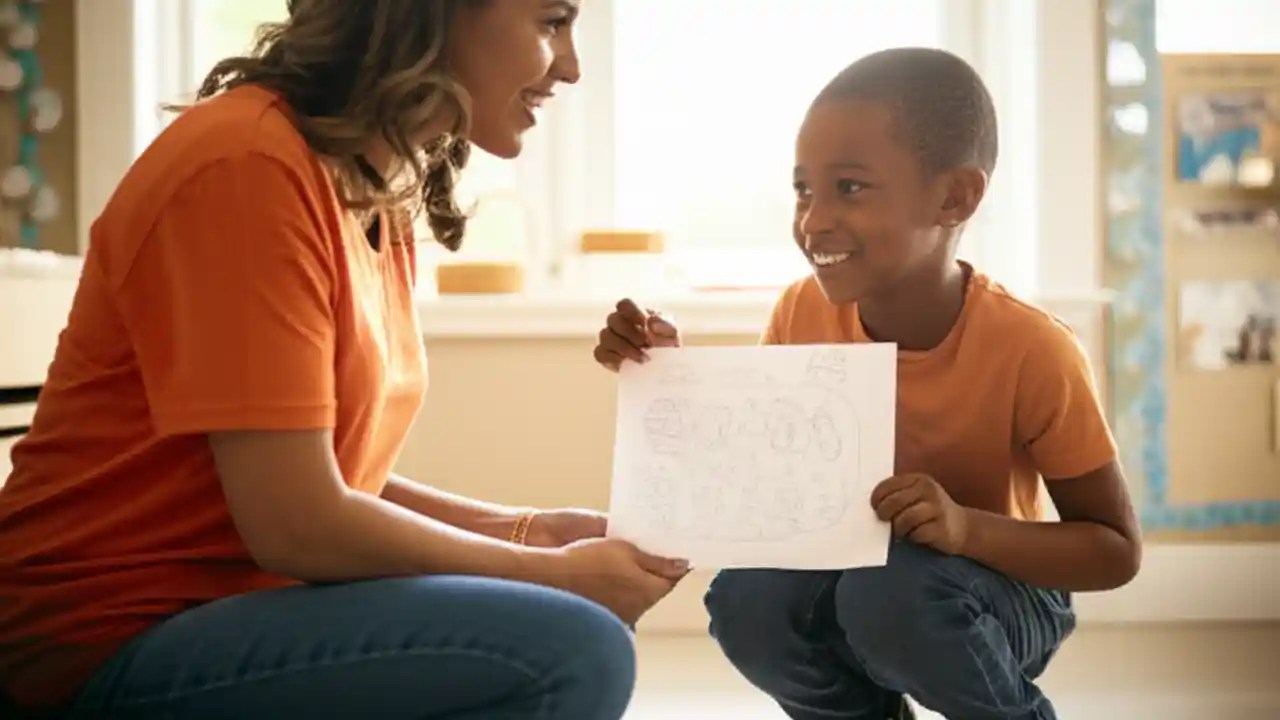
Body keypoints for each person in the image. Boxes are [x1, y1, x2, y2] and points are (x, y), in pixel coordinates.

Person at [0, 2, 689, 718]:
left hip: (221, 608)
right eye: (552, 22)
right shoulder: (246, 167)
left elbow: (315, 471)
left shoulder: (368, 184)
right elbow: (296, 519)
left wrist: (531, 532)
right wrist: (553, 576)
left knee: (571, 628)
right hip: (97, 641)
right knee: (572, 646)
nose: (572, 66)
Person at [595, 48, 1143, 720]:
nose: (813, 219)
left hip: (1003, 592)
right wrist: (671, 374)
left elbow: (1114, 551)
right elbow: (763, 482)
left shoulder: (1034, 348)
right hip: (863, 584)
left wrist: (966, 529)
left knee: (888, 594)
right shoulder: (801, 311)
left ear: (954, 197)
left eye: (849, 188)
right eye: (803, 190)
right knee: (746, 600)